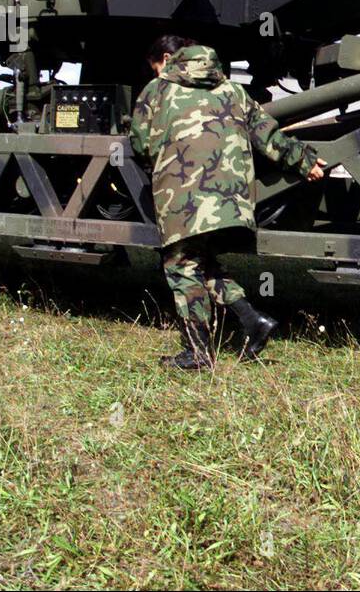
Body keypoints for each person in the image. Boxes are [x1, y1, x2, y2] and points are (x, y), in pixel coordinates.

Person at [131, 35, 327, 369]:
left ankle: (197, 353)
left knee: (180, 268)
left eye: (156, 67)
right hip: (232, 200)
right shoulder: (235, 92)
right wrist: (304, 160)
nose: (157, 73)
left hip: (184, 199)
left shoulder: (157, 91)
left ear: (166, 58)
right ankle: (255, 322)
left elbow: (139, 142)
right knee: (201, 263)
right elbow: (269, 137)